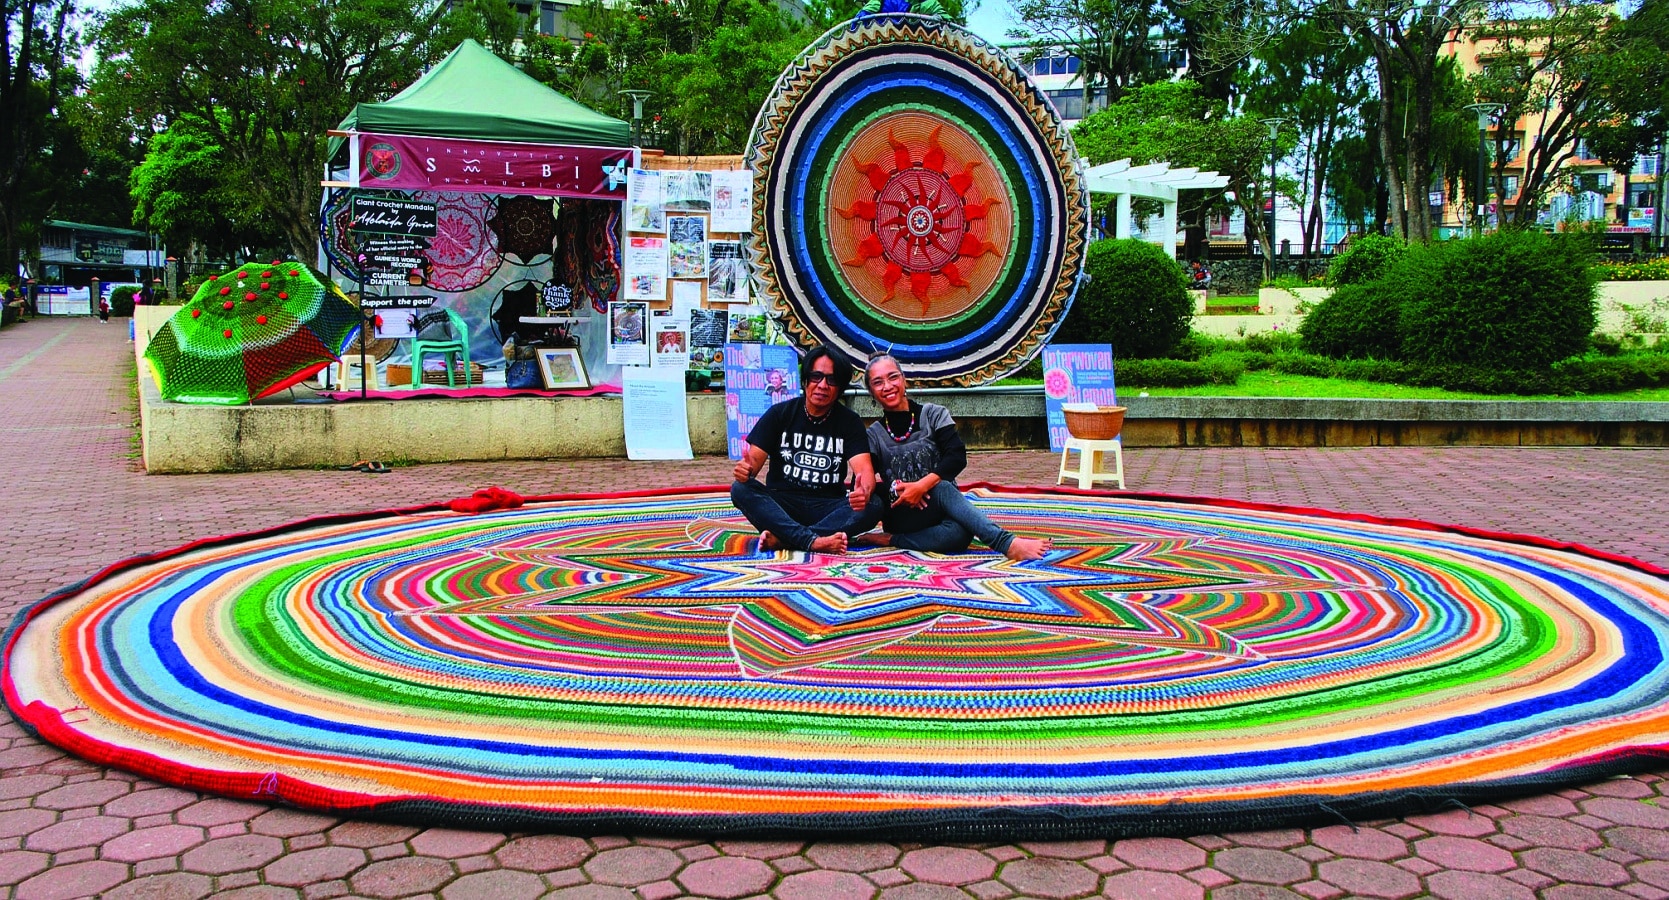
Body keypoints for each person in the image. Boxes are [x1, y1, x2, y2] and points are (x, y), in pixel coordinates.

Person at [856, 354, 1051, 560]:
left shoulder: (934, 414)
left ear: (904, 379)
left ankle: (894, 540)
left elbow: (956, 456)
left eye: (893, 377)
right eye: (878, 382)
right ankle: (1006, 543)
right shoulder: (873, 435)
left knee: (960, 533)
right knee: (942, 488)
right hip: (903, 513)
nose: (887, 386)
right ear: (871, 392)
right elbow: (865, 481)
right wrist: (898, 490)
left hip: (942, 508)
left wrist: (921, 486)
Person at [730, 346, 879, 553]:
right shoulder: (780, 413)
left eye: (832, 380)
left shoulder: (850, 422)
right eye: (816, 377)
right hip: (783, 506)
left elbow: (865, 471)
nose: (822, 385)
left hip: (828, 508)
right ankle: (814, 541)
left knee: (874, 504)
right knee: (740, 489)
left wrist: (864, 491)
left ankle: (788, 540)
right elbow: (752, 464)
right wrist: (744, 470)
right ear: (805, 380)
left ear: (840, 387)